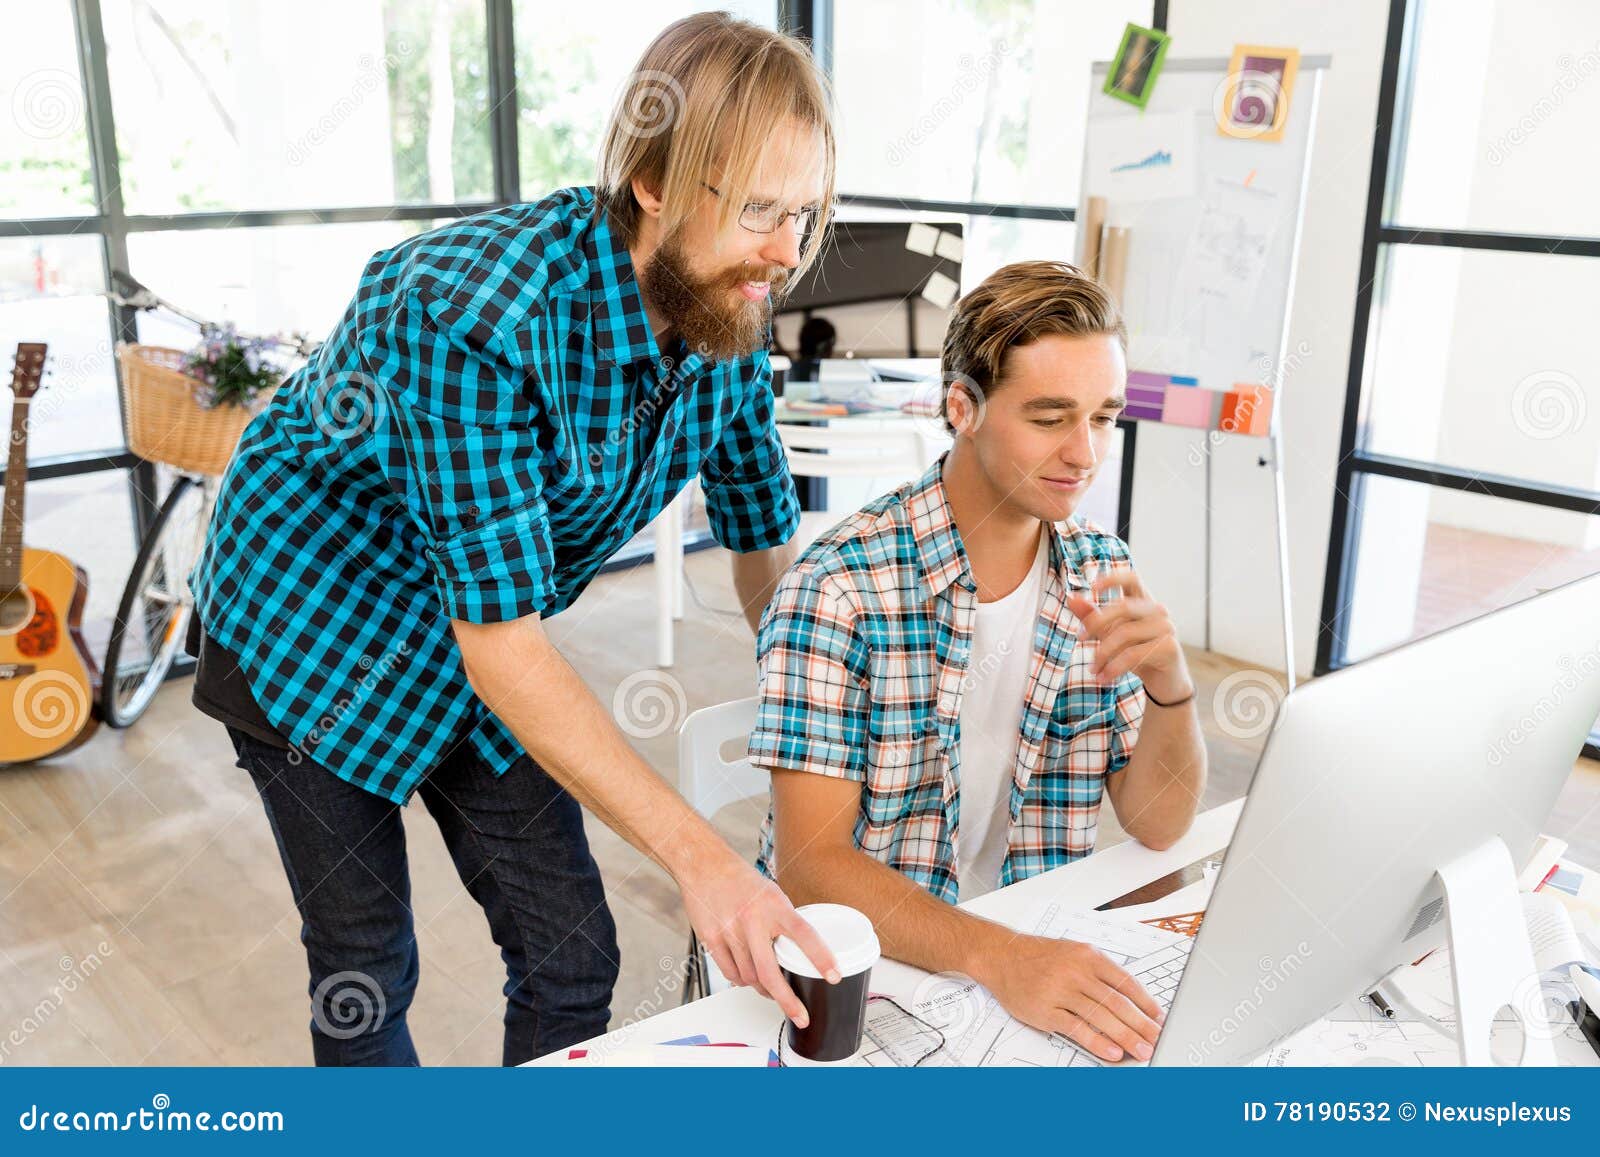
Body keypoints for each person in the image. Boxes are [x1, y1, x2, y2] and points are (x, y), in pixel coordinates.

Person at [185, 12, 841, 1066]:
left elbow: (766, 545)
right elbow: (503, 648)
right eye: (759, 209)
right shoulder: (469, 314)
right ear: (653, 182)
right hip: (308, 626)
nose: (787, 253)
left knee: (571, 955)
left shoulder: (729, 306)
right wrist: (704, 859)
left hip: (481, 631)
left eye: (804, 214)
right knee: (365, 963)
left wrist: (823, 721)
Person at [750, 260, 1208, 1064]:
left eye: (1104, 417)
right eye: (1049, 417)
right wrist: (1002, 957)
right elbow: (810, 866)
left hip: (1030, 948)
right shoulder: (838, 588)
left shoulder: (1099, 567)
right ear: (962, 406)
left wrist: (1174, 690)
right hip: (867, 970)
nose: (1085, 452)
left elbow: (1158, 822)